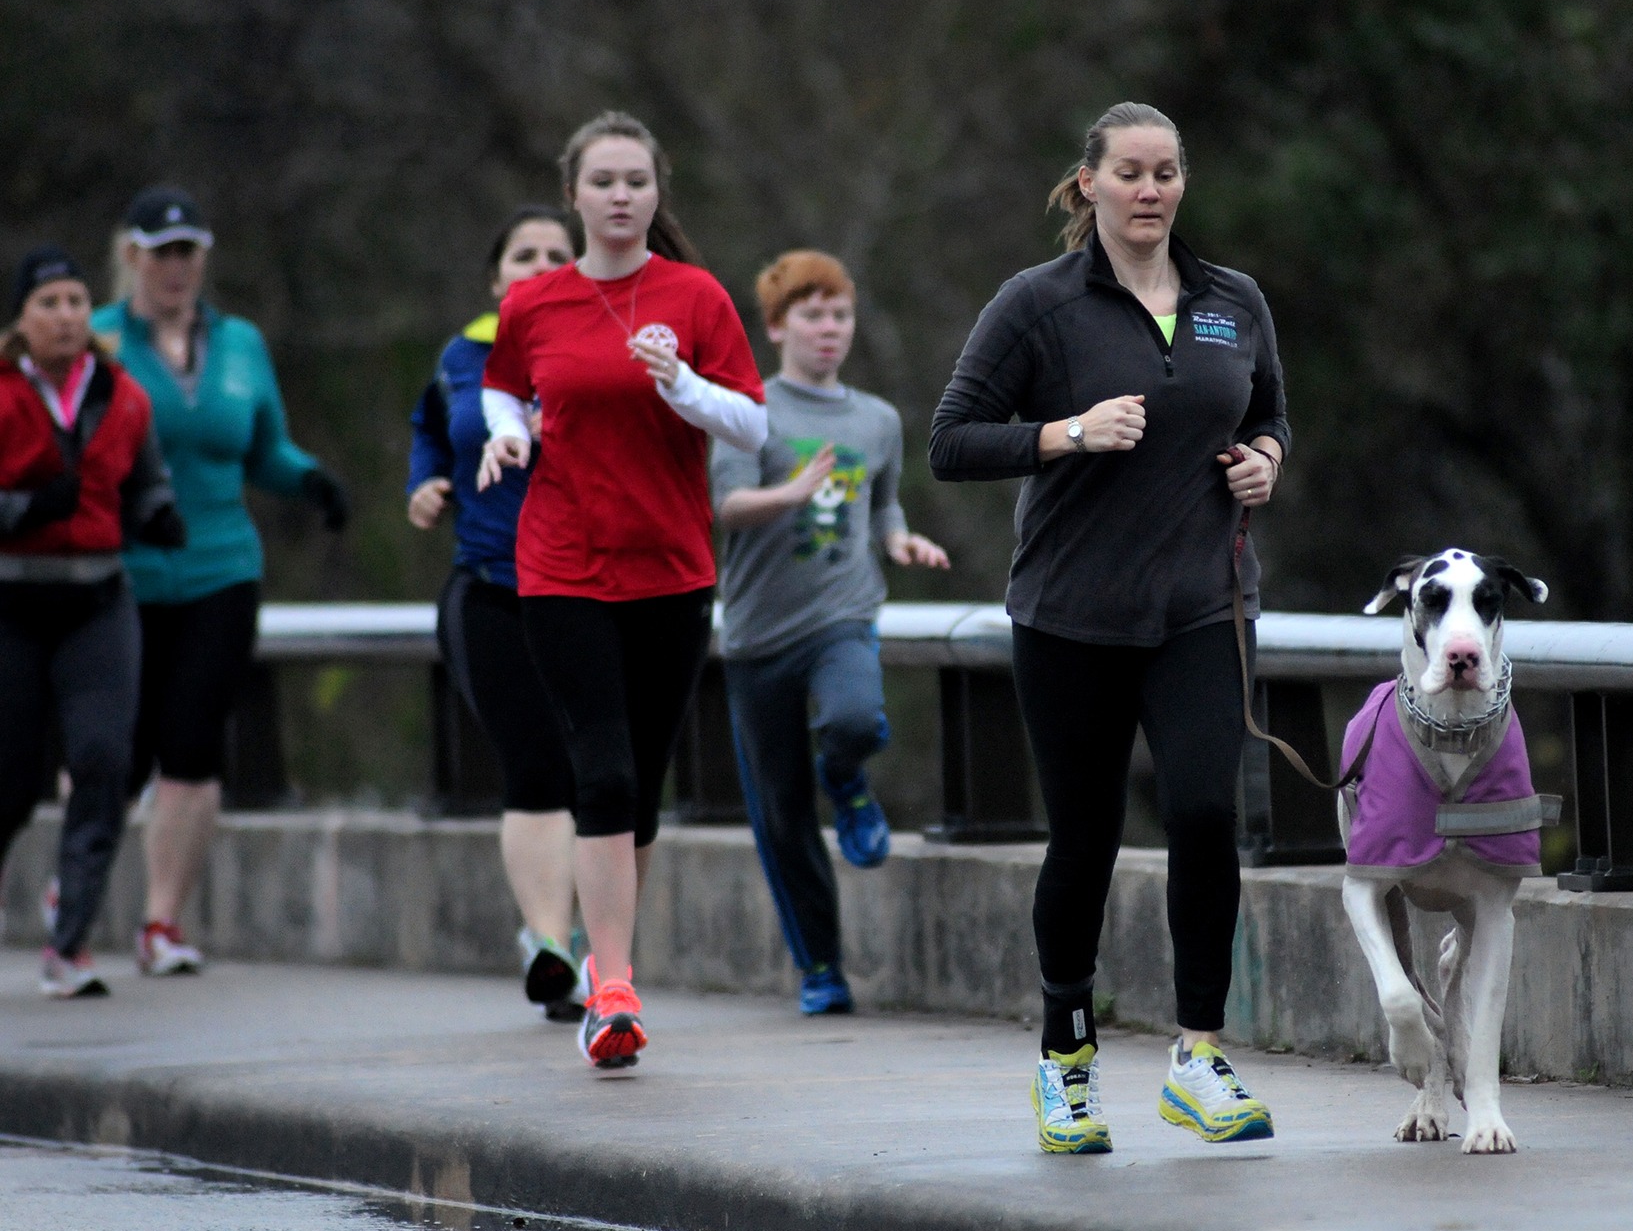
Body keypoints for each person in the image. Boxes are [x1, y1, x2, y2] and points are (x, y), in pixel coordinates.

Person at [929, 102, 1291, 1154]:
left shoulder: (1235, 302)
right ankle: (1066, 1052)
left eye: (1167, 172)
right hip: (1073, 617)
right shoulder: (1038, 306)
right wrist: (1066, 433)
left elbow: (1268, 411)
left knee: (1204, 810)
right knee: (1084, 836)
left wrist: (1268, 458)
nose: (1150, 190)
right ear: (1086, 183)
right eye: (1129, 172)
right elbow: (953, 443)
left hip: (1202, 608)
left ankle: (1198, 1053)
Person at [478, 111, 768, 1069]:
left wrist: (679, 381)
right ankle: (611, 988)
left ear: (656, 193)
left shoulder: (695, 296)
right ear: (574, 194)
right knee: (597, 770)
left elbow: (752, 426)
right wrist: (508, 432)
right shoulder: (536, 303)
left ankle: (614, 963)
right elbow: (501, 385)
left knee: (640, 784)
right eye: (601, 181)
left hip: (672, 568)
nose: (618, 196)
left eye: (635, 181)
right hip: (561, 563)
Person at [92, 186, 350, 977]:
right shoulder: (97, 339)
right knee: (115, 751)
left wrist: (310, 480)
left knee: (193, 744)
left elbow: (262, 447)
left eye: (188, 251)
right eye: (161, 252)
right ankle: (73, 907)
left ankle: (162, 920)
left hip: (221, 564)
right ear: (133, 256)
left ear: (204, 256)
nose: (176, 267)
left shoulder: (239, 344)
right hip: (125, 570)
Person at [711, 250, 948, 1016]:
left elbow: (882, 503)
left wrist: (899, 539)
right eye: (811, 315)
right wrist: (792, 490)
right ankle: (821, 967)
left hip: (842, 613)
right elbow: (726, 505)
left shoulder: (876, 418)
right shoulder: (746, 409)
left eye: (839, 314)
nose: (828, 329)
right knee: (781, 813)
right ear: (777, 325)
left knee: (854, 718)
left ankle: (846, 775)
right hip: (756, 634)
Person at [408, 205, 589, 1021]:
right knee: (533, 763)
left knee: (595, 772)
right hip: (489, 584)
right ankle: (550, 945)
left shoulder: (595, 348)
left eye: (556, 253)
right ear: (496, 276)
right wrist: (429, 481)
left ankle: (587, 944)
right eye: (524, 253)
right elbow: (428, 426)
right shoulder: (462, 355)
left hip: (586, 585)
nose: (540, 264)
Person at [0, 246, 186, 997]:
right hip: (11, 600)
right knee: (10, 781)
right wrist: (20, 511)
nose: (68, 316)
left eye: (78, 301)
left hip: (99, 599)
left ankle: (69, 942)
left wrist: (157, 515)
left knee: (105, 760)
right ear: (22, 317)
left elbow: (146, 479)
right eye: (51, 303)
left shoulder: (124, 395)